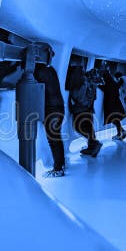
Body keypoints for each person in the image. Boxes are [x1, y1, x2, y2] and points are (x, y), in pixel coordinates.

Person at [32, 44, 66, 177]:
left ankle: (58, 169)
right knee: (56, 139)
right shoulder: (51, 70)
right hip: (58, 108)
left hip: (51, 110)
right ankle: (60, 165)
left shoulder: (38, 71)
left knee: (54, 140)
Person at [68, 66, 102, 157]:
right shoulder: (90, 81)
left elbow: (77, 95)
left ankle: (94, 144)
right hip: (88, 108)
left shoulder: (82, 81)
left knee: (78, 127)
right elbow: (94, 96)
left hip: (80, 108)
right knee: (89, 128)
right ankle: (92, 147)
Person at [98, 63, 126, 141]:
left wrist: (98, 85)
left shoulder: (107, 81)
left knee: (114, 118)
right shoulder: (112, 80)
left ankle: (120, 133)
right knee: (115, 118)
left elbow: (105, 88)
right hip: (115, 102)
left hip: (111, 103)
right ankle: (122, 132)